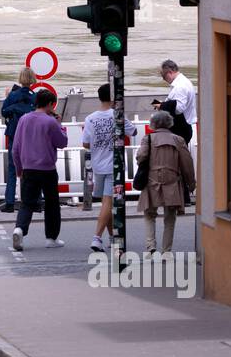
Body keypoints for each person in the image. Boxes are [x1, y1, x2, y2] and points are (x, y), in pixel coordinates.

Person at [10, 88, 68, 251]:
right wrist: (59, 124)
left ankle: (19, 229)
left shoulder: (24, 119)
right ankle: (51, 238)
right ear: (49, 104)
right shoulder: (50, 122)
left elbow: (16, 148)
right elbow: (62, 142)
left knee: (27, 203)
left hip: (28, 168)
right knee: (51, 203)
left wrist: (19, 168)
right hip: (47, 169)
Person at [84, 84, 137, 253]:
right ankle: (96, 238)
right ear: (113, 97)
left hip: (97, 165)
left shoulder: (90, 118)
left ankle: (113, 238)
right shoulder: (117, 115)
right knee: (108, 202)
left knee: (106, 202)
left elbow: (85, 143)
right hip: (114, 165)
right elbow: (133, 131)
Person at [136, 110, 196, 256]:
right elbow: (187, 163)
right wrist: (191, 183)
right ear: (169, 123)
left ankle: (151, 246)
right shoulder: (178, 140)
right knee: (170, 217)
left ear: (153, 124)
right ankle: (166, 251)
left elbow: (141, 156)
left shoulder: (148, 139)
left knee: (149, 213)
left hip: (152, 180)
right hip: (172, 180)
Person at [0, 68, 37, 214]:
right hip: (31, 137)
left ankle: (10, 203)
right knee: (33, 168)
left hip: (14, 136)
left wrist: (8, 100)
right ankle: (36, 202)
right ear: (32, 79)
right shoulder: (35, 97)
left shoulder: (12, 95)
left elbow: (3, 111)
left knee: (12, 169)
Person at [153, 59, 197, 145]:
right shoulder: (183, 82)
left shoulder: (180, 86)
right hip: (184, 127)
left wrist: (161, 105)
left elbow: (178, 108)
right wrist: (163, 104)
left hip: (181, 130)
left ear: (170, 72)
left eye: (163, 76)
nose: (164, 79)